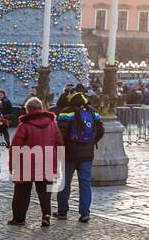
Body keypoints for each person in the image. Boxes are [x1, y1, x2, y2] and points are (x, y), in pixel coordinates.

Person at [8, 97, 62, 227]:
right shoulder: (52, 123)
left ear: (27, 110)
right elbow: (59, 143)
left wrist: (12, 164)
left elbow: (16, 146)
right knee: (45, 191)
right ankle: (46, 215)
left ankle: (19, 219)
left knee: (22, 191)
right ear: (41, 108)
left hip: (27, 162)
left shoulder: (24, 125)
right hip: (48, 160)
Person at [55, 92, 104, 222]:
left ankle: (62, 211)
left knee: (65, 183)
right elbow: (100, 131)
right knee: (85, 184)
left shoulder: (66, 112)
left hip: (69, 154)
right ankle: (85, 213)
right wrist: (90, 143)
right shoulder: (93, 112)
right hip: (87, 155)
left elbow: (61, 134)